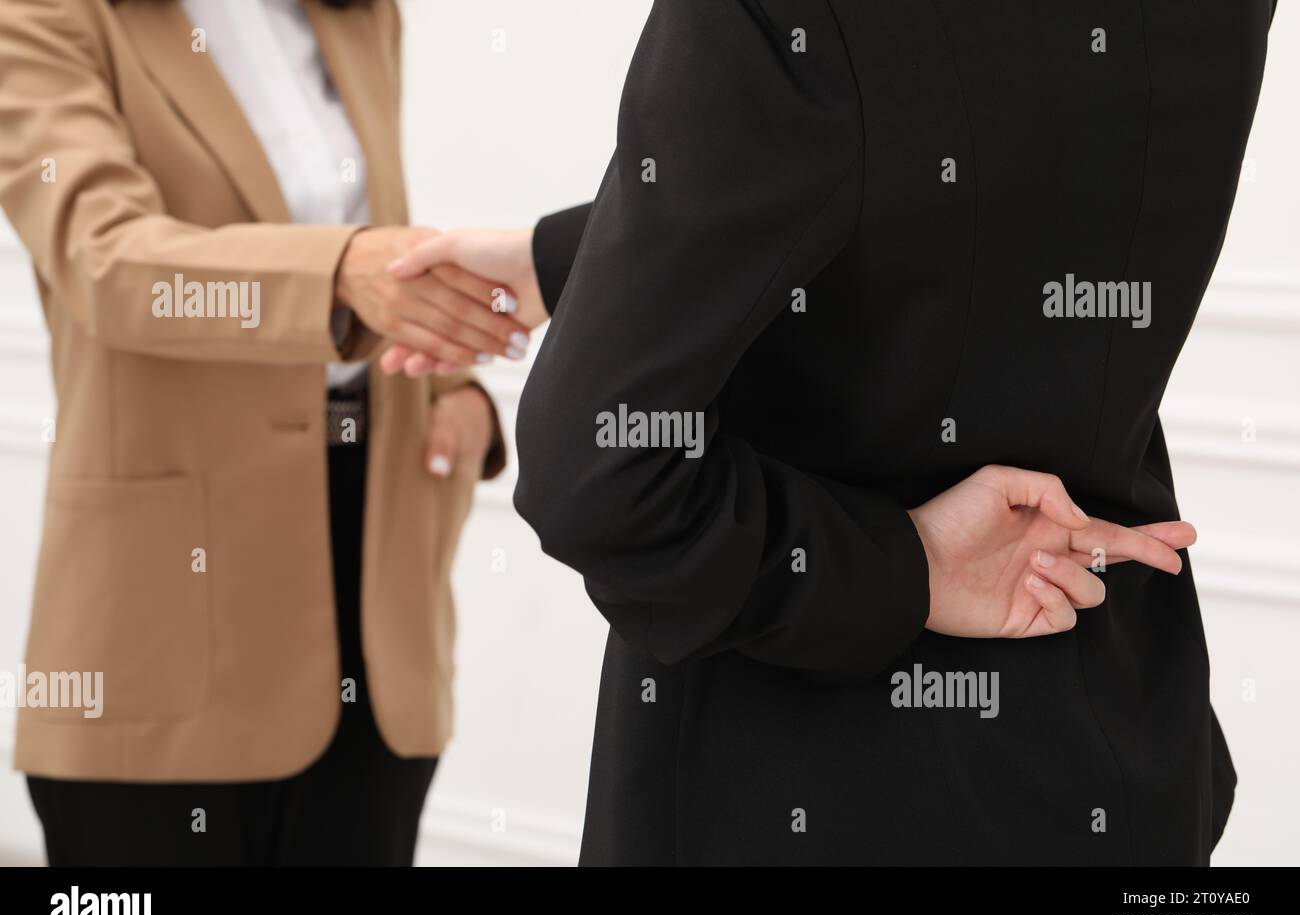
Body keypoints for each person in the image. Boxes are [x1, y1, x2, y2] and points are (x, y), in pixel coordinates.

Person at [385, 0, 1276, 864]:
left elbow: (602, 478)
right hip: (1117, 755)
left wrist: (910, 566)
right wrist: (578, 260)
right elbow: (1001, 172)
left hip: (810, 786)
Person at [0, 0, 526, 865]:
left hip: (374, 596)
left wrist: (458, 389)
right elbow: (109, 261)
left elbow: (377, 243)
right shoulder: (49, 14)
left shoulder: (356, 14)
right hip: (166, 623)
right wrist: (337, 269)